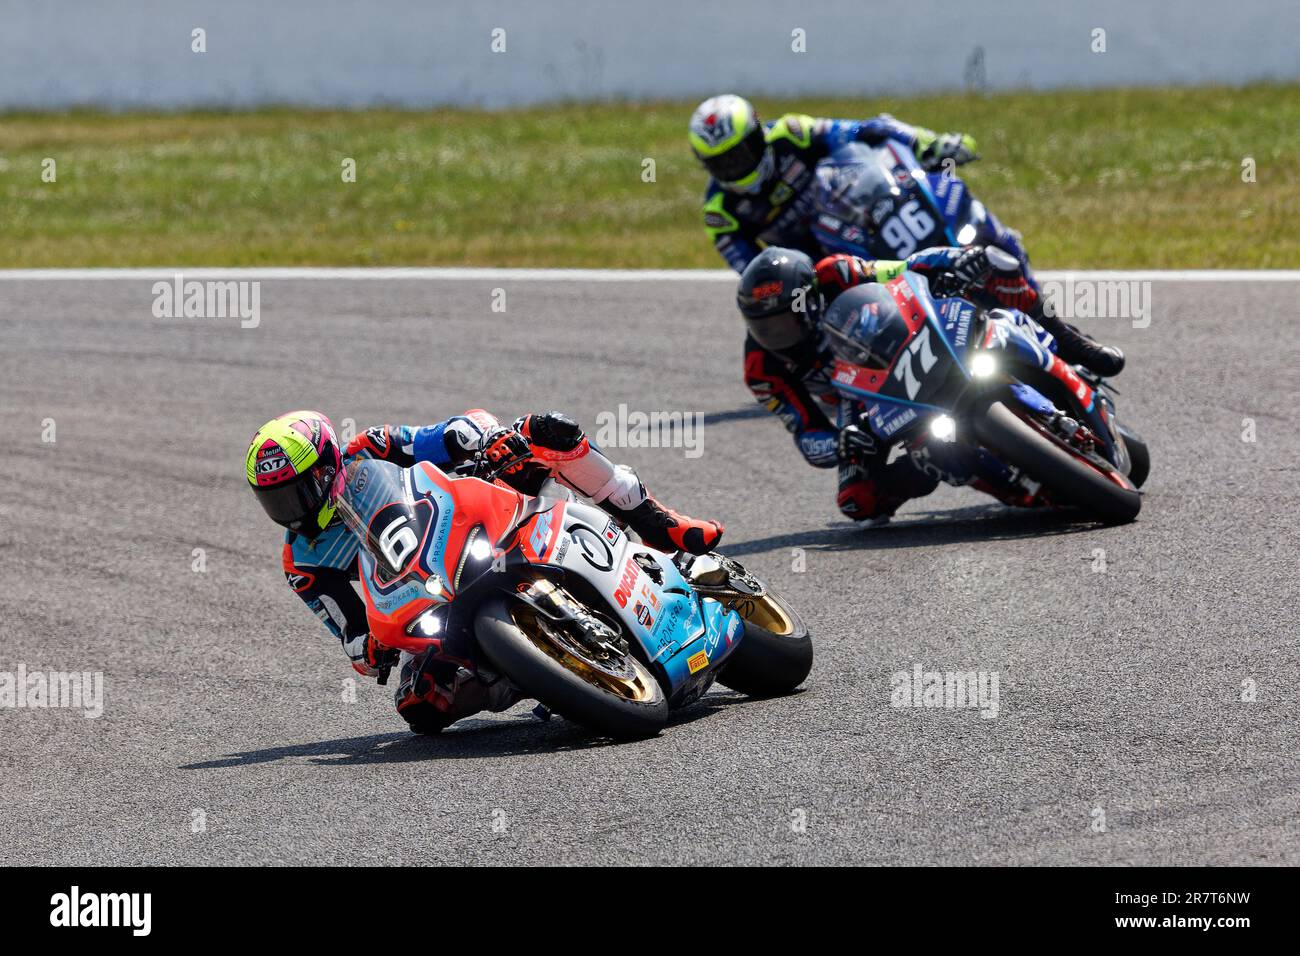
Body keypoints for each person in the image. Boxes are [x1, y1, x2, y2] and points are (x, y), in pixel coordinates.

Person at [245, 409, 722, 733]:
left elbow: (452, 433)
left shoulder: (372, 450)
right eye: (275, 499)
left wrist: (484, 440)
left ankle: (652, 520)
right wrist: (368, 649)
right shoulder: (303, 562)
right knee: (421, 706)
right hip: (430, 598)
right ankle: (549, 673)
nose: (291, 509)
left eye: (299, 490)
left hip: (477, 520)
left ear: (328, 467)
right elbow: (348, 631)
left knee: (542, 430)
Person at [735, 244, 1123, 525]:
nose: (774, 335)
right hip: (864, 404)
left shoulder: (836, 273)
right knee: (857, 502)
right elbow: (806, 436)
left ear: (808, 300)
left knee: (1002, 278)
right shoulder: (762, 370)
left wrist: (958, 260)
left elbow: (905, 268)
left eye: (781, 322)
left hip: (913, 342)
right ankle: (1010, 483)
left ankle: (1077, 345)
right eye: (762, 327)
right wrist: (838, 442)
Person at [689, 93, 979, 273]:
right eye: (722, 163)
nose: (733, 168)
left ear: (756, 136)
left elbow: (867, 129)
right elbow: (755, 272)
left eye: (739, 155)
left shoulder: (792, 133)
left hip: (865, 219)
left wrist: (926, 143)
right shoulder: (721, 214)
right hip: (821, 276)